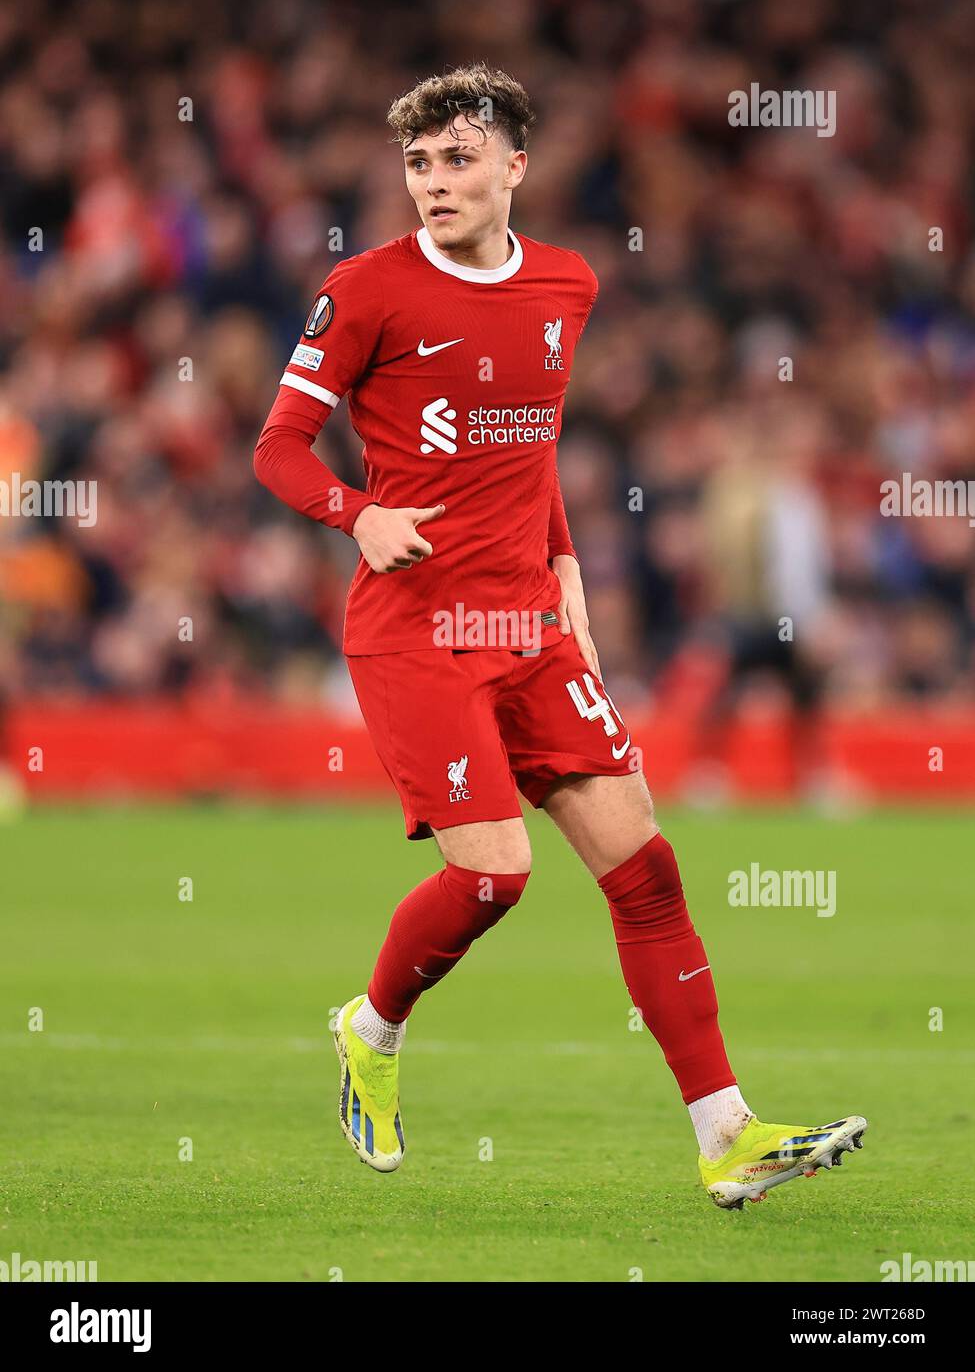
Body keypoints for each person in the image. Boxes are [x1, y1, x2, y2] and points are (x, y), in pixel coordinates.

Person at [254, 63, 866, 1209]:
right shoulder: (367, 288)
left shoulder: (567, 285)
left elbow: (523, 451)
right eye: (419, 163)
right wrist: (356, 511)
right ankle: (370, 1031)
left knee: (648, 870)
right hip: (416, 630)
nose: (434, 182)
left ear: (514, 169)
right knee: (495, 879)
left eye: (458, 159)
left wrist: (569, 559)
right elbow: (278, 447)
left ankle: (726, 1137)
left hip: (531, 625)